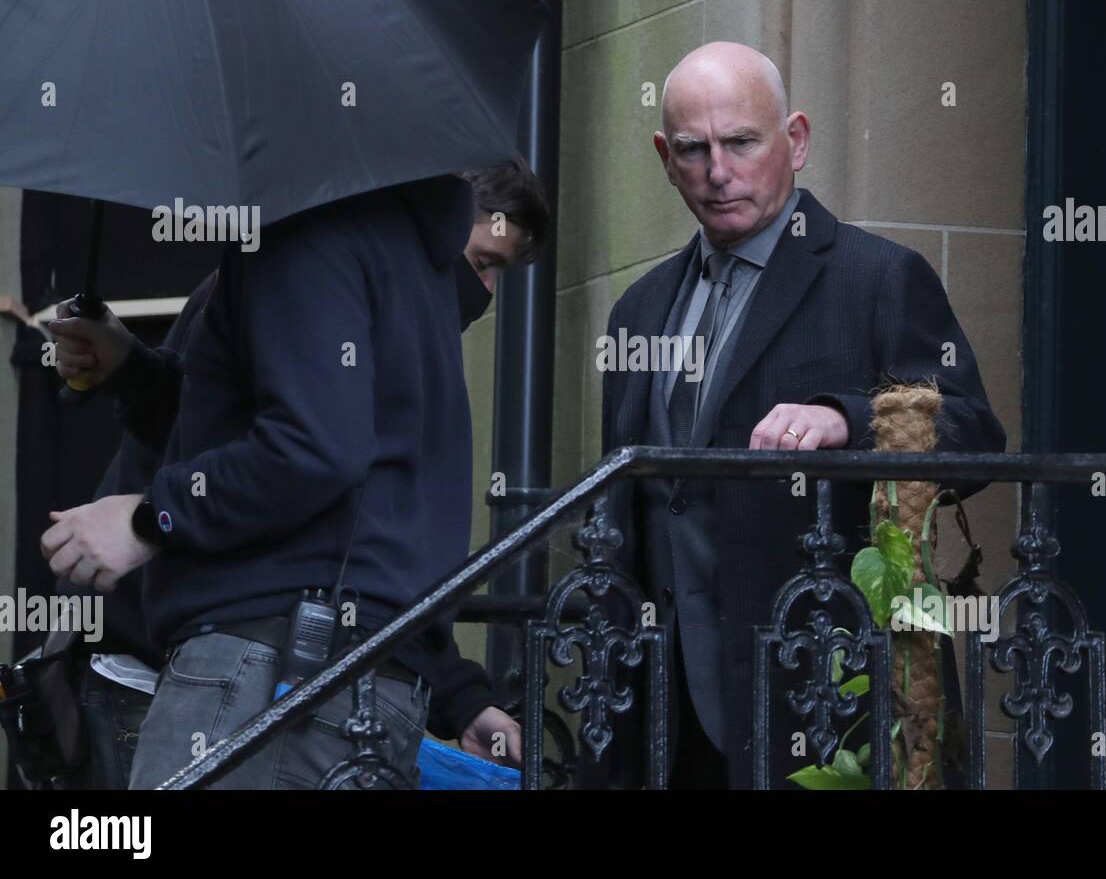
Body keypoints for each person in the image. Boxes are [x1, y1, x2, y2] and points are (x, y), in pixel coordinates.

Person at [41, 163, 546, 789]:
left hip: (273, 677)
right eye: (485, 260)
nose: (486, 289)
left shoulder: (311, 236)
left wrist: (149, 517)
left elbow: (315, 452)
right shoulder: (393, 264)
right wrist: (131, 369)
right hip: (329, 680)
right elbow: (312, 471)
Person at [599, 41, 1007, 789]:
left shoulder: (877, 277)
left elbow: (977, 437)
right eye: (693, 149)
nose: (717, 171)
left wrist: (850, 420)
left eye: (742, 142)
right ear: (664, 155)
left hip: (823, 705)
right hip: (663, 719)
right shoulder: (639, 309)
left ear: (797, 140)